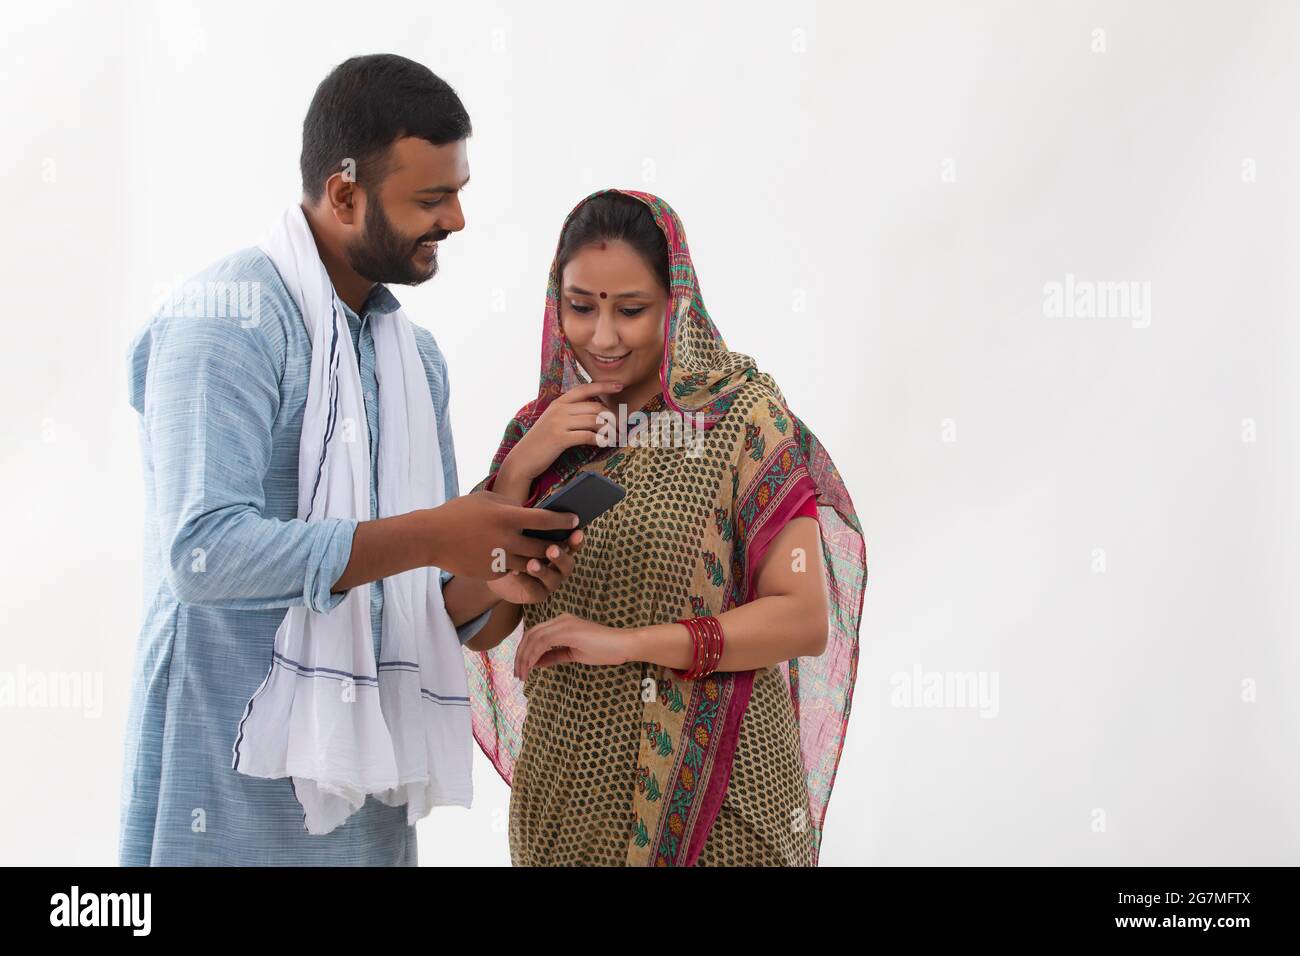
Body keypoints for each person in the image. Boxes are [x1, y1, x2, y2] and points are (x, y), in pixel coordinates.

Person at [119, 54, 582, 866]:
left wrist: (496, 573)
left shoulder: (414, 359)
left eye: (460, 191)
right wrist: (438, 535)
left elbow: (424, 593)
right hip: (227, 790)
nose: (458, 220)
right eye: (432, 198)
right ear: (343, 195)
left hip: (365, 804)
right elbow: (202, 552)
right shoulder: (227, 323)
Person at [465, 189, 867, 866]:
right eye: (581, 306)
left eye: (631, 310)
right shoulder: (537, 436)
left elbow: (800, 619)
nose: (603, 336)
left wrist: (626, 644)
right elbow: (483, 627)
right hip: (569, 808)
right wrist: (516, 476)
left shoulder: (742, 419)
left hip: (726, 805)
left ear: (675, 306)